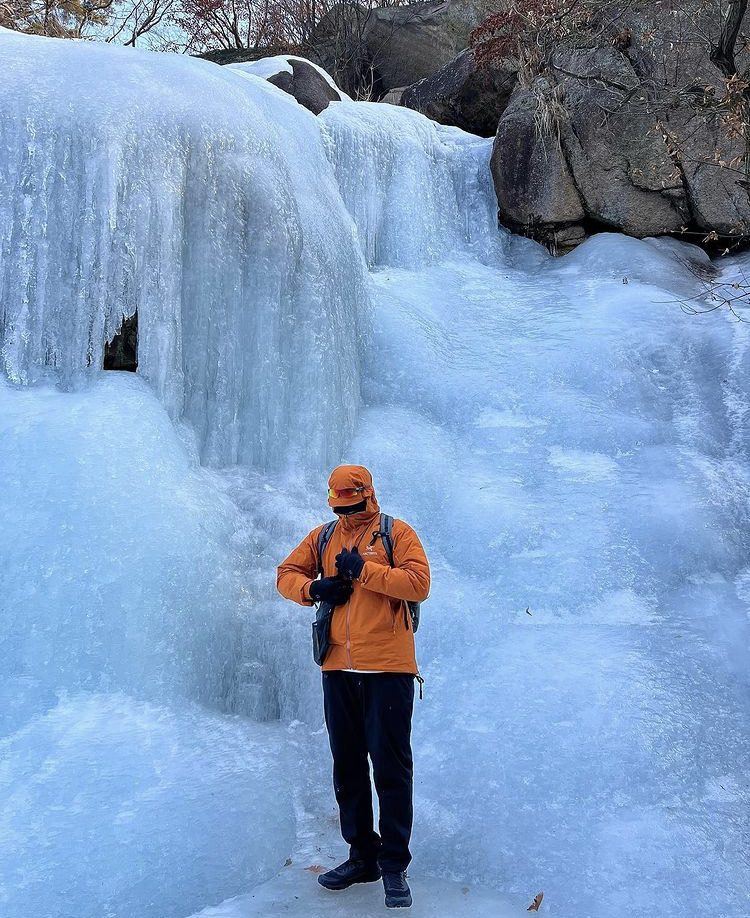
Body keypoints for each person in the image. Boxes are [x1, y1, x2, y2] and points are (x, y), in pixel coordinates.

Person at [276, 464, 430, 910]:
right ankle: (361, 854)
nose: (347, 512)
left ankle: (394, 864)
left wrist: (364, 571)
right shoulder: (323, 536)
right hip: (337, 669)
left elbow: (419, 584)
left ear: (368, 496)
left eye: (353, 504)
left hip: (388, 670)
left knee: (391, 768)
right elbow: (285, 574)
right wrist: (315, 589)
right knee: (347, 767)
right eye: (340, 506)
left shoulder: (396, 534)